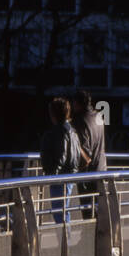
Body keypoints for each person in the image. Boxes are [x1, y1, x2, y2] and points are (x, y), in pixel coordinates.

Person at [39, 96, 82, 225]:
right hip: (70, 175)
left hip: (59, 177)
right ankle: (65, 240)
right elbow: (76, 155)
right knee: (64, 210)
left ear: (53, 114)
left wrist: (51, 172)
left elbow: (60, 157)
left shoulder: (55, 133)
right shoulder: (73, 131)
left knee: (59, 212)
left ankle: (64, 241)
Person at [71, 89, 107, 219]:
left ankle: (89, 237)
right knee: (97, 208)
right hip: (101, 168)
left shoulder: (81, 120)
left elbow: (85, 150)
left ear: (77, 104)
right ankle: (96, 236)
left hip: (88, 173)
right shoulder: (98, 116)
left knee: (87, 211)